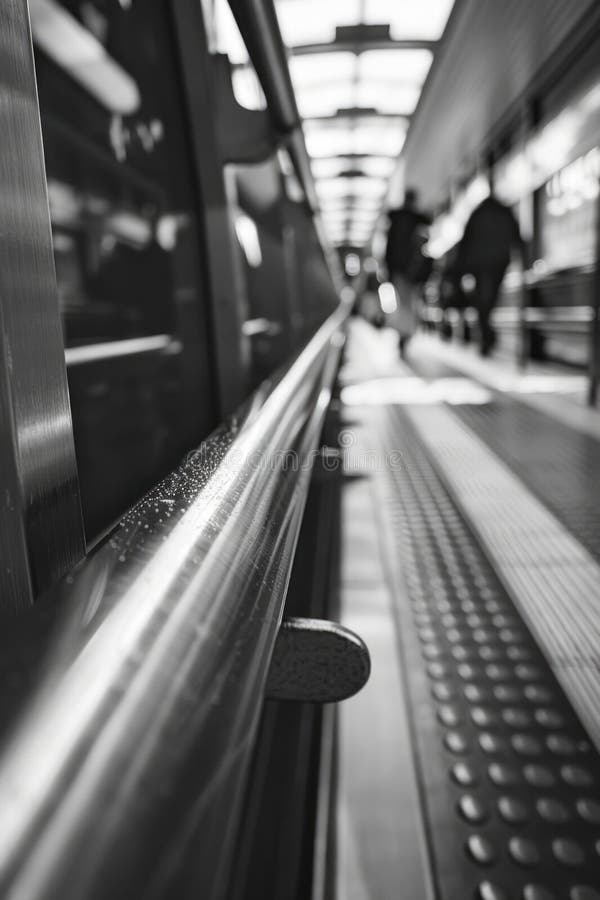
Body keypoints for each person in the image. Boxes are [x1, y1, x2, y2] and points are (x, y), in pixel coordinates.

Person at [456, 192, 524, 356]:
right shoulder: (504, 212)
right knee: (489, 299)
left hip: (479, 266)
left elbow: (465, 243)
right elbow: (517, 237)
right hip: (498, 263)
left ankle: (486, 334)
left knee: (482, 301)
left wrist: (462, 270)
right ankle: (487, 334)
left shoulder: (477, 213)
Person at [384, 188, 431, 356]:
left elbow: (388, 249)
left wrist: (388, 270)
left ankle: (403, 333)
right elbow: (425, 243)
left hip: (398, 269)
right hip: (414, 270)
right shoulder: (418, 221)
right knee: (410, 302)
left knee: (402, 302)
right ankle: (406, 333)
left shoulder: (395, 221)